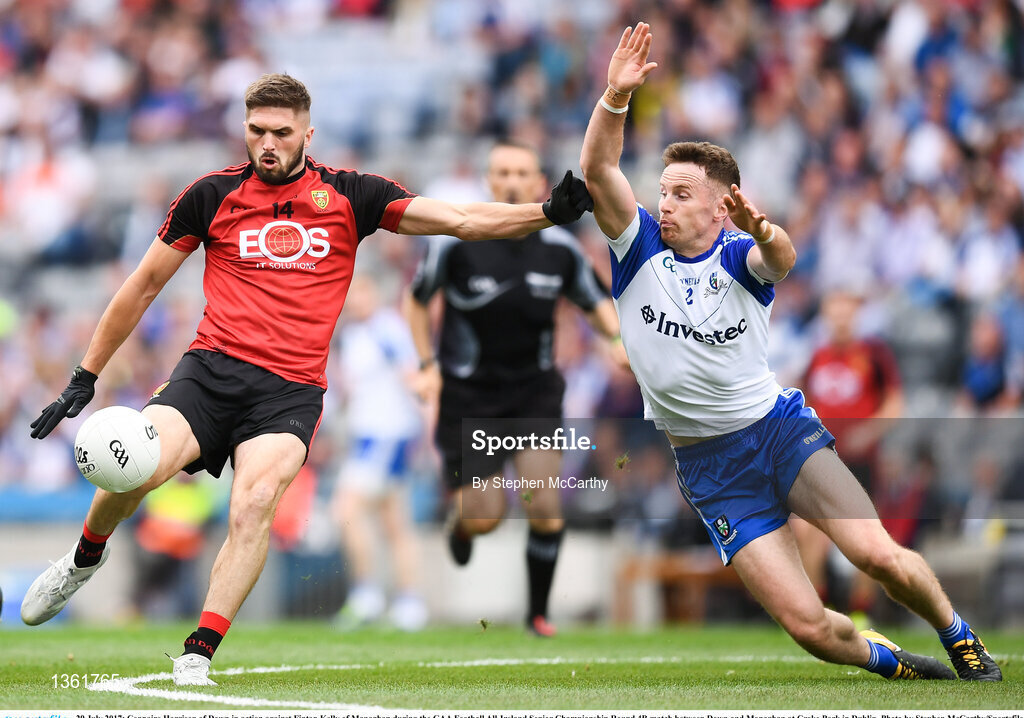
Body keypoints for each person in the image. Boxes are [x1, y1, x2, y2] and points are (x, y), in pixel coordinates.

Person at [21, 73, 593, 686]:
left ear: (307, 134)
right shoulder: (210, 195)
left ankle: (197, 653)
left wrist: (543, 214)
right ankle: (83, 558)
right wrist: (85, 374)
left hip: (288, 391)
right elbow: (143, 285)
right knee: (137, 463)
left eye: (281, 133)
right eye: (256, 131)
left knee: (254, 503)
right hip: (209, 371)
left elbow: (459, 218)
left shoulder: (353, 195)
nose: (267, 144)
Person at [578, 23, 1000, 681]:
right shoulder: (638, 251)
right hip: (709, 467)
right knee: (809, 627)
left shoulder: (739, 255)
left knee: (876, 556)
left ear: (722, 209)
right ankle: (896, 663)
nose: (665, 204)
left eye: (681, 195)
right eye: (663, 192)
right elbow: (599, 170)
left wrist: (766, 231)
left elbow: (782, 258)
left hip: (777, 433)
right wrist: (615, 97)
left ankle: (960, 637)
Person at [405, 139, 626, 636]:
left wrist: (614, 339)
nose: (510, 181)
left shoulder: (561, 250)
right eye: (501, 172)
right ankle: (463, 524)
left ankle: (537, 615)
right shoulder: (454, 241)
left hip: (534, 392)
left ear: (538, 183)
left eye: (521, 173)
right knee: (487, 517)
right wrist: (425, 364)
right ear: (487, 180)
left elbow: (594, 301)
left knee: (543, 503)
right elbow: (416, 300)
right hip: (469, 398)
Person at [795, 288, 904, 618]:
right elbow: (803, 399)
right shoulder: (818, 356)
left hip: (861, 462)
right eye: (834, 313)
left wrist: (869, 431)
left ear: (855, 316)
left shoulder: (874, 354)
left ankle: (860, 612)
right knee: (808, 531)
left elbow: (895, 403)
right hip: (823, 458)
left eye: (846, 313)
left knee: (866, 537)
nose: (840, 320)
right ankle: (821, 613)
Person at [331, 273, 428, 632]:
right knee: (395, 522)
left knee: (345, 509)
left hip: (387, 436)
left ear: (374, 294)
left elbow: (413, 378)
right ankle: (409, 602)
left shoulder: (387, 329)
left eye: (361, 293)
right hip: (367, 437)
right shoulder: (353, 334)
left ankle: (367, 594)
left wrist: (430, 428)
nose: (355, 301)